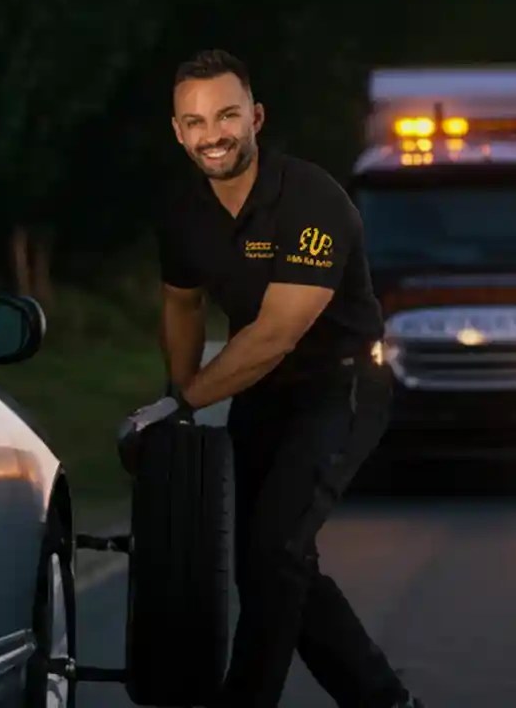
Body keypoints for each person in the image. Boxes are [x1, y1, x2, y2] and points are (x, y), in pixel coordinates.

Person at [135, 48, 424, 708]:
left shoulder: (312, 199)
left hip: (342, 386)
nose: (214, 134)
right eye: (196, 121)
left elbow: (275, 334)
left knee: (274, 555)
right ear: (178, 131)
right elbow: (182, 303)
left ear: (256, 117)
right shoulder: (183, 213)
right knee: (273, 566)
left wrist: (182, 401)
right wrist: (177, 406)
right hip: (263, 395)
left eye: (228, 115)